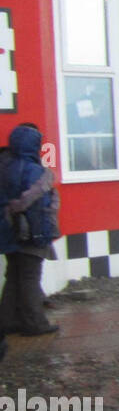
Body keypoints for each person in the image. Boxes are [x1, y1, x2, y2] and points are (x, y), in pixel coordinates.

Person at [0, 123, 61, 337]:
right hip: (31, 231)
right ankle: (35, 323)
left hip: (7, 231)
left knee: (13, 275)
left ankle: (7, 321)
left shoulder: (4, 165)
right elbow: (37, 204)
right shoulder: (36, 171)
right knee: (30, 277)